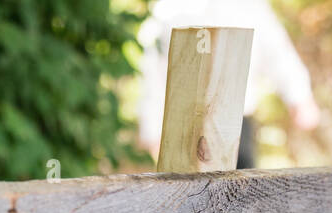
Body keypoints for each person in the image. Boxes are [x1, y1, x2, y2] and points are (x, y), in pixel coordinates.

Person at [137, 0, 321, 168]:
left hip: (236, 122)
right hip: (185, 124)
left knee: (242, 192)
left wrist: (299, 96)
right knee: (188, 194)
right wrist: (151, 129)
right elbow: (154, 72)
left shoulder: (249, 5)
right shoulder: (167, 9)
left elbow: (276, 50)